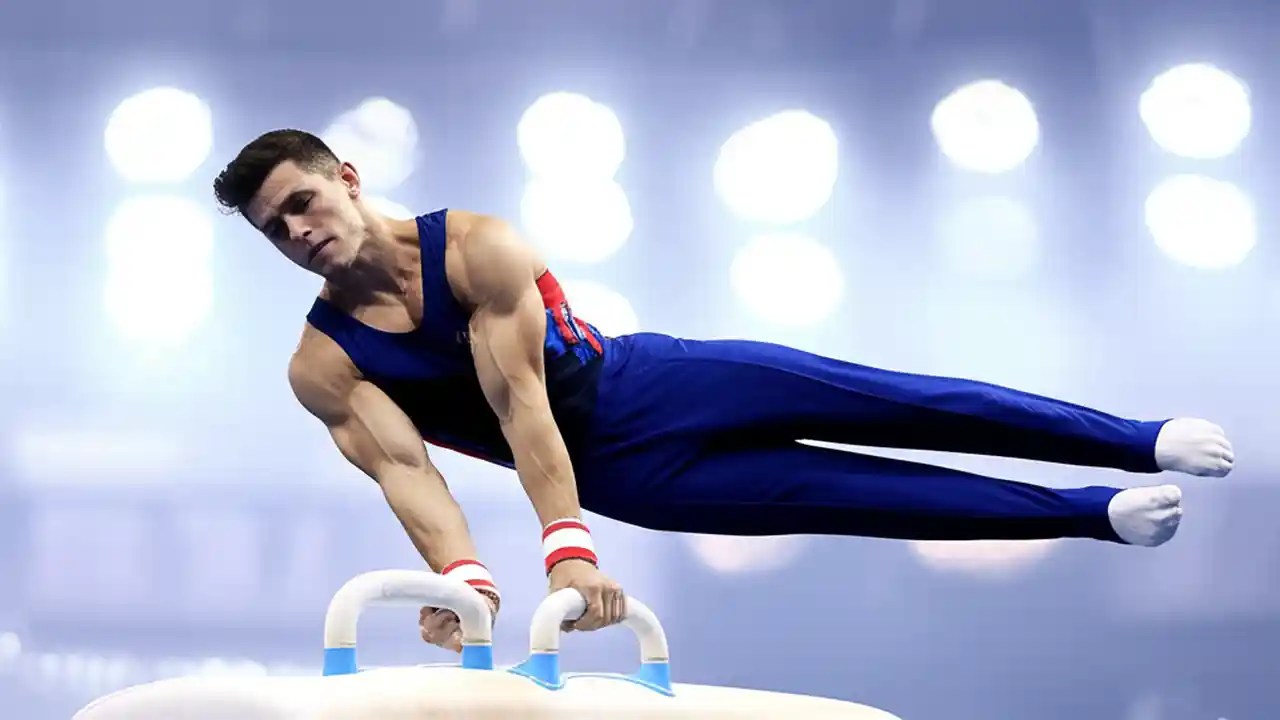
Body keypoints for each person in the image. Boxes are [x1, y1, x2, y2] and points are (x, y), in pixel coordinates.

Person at [212, 129, 1234, 653]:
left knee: (896, 402)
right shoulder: (324, 365)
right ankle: (1093, 513)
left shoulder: (475, 245)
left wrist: (567, 556)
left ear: (346, 176)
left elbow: (522, 402)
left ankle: (1135, 440)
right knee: (863, 501)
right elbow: (409, 476)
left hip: (665, 387)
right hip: (634, 478)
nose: (298, 231)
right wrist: (467, 590)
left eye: (301, 201)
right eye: (275, 227)